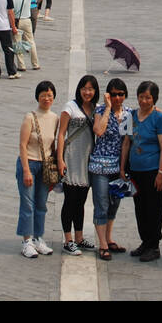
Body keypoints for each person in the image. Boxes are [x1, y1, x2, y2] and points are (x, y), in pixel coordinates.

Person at [122, 80, 162, 262]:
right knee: (139, 208)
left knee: (154, 208)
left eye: (148, 97)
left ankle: (154, 245)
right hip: (135, 170)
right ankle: (145, 241)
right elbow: (127, 142)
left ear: (154, 99)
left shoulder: (159, 119)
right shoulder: (131, 116)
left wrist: (160, 172)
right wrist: (122, 167)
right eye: (141, 97)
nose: (144, 101)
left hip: (152, 171)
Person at [16, 80, 59, 258]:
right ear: (37, 97)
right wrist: (26, 170)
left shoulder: (55, 118)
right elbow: (22, 145)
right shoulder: (30, 117)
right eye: (43, 95)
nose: (46, 98)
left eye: (49, 95)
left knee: (41, 204)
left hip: (45, 166)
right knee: (28, 204)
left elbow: (53, 144)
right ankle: (26, 241)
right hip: (30, 164)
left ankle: (38, 238)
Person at [56, 75, 98, 255]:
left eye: (91, 89)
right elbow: (61, 134)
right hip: (72, 157)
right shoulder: (70, 107)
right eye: (84, 88)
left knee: (80, 201)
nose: (87, 92)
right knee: (70, 200)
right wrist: (60, 159)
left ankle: (79, 238)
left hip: (87, 159)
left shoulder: (96, 109)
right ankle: (68, 240)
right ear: (79, 89)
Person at [89, 77, 130, 260]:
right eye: (113, 94)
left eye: (120, 94)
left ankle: (109, 238)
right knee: (101, 204)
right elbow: (98, 130)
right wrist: (107, 108)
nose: (117, 98)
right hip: (100, 166)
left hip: (118, 168)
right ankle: (103, 244)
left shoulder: (129, 114)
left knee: (114, 204)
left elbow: (128, 142)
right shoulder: (100, 110)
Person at [11, 0, 40, 72]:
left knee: (17, 43)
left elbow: (11, 11)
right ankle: (35, 64)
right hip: (27, 20)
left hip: (17, 21)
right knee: (31, 42)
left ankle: (21, 65)